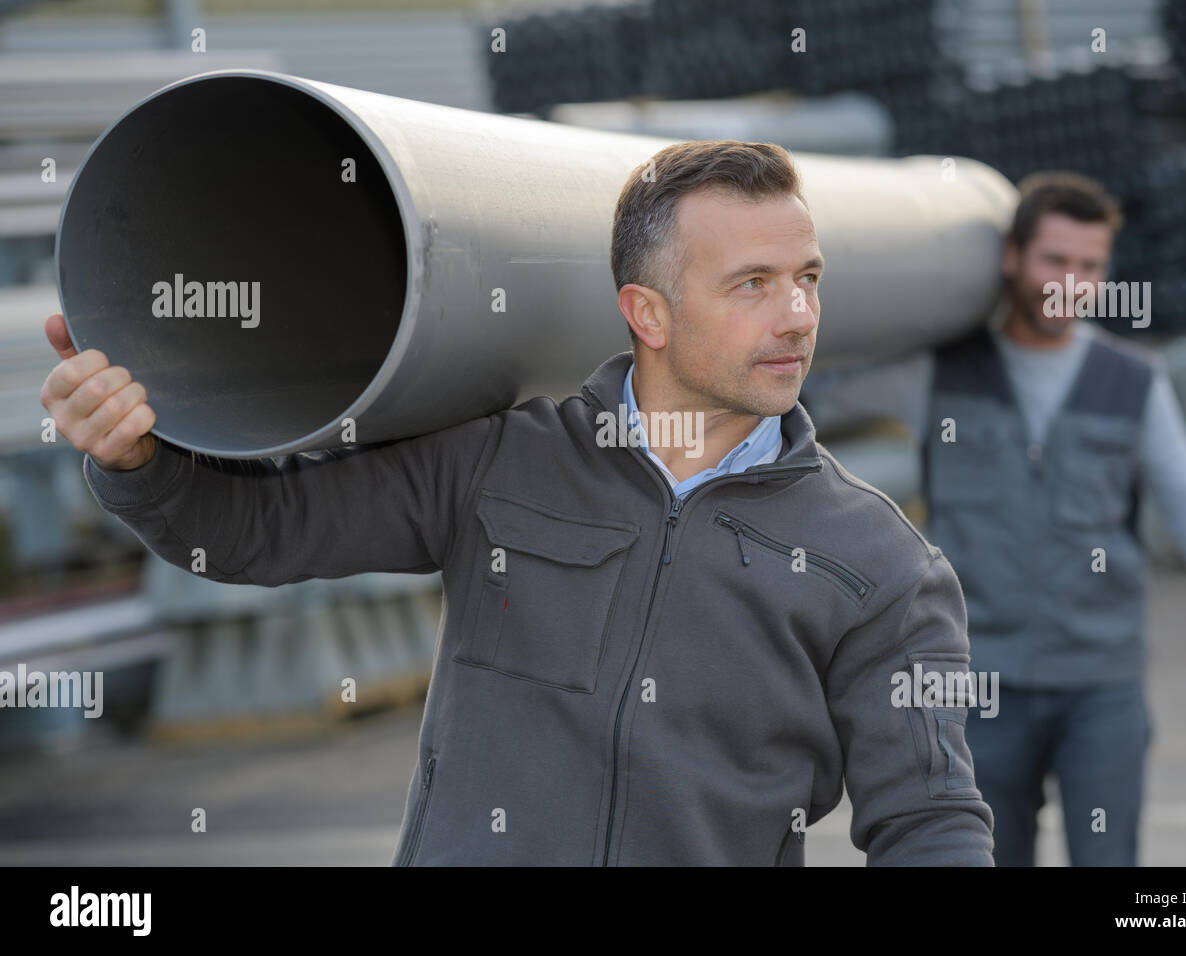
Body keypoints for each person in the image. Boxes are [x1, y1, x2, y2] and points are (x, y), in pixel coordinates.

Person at [40, 140, 994, 866]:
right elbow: (253, 532)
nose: (797, 316)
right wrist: (138, 458)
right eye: (753, 284)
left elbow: (931, 822)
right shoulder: (501, 461)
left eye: (808, 281)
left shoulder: (880, 565)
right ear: (647, 313)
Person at [800, 171, 1186, 866]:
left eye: (1090, 266)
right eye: (1055, 260)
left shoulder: (1132, 383)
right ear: (1012, 259)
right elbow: (802, 376)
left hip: (1101, 688)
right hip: (979, 689)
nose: (1072, 281)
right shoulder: (937, 375)